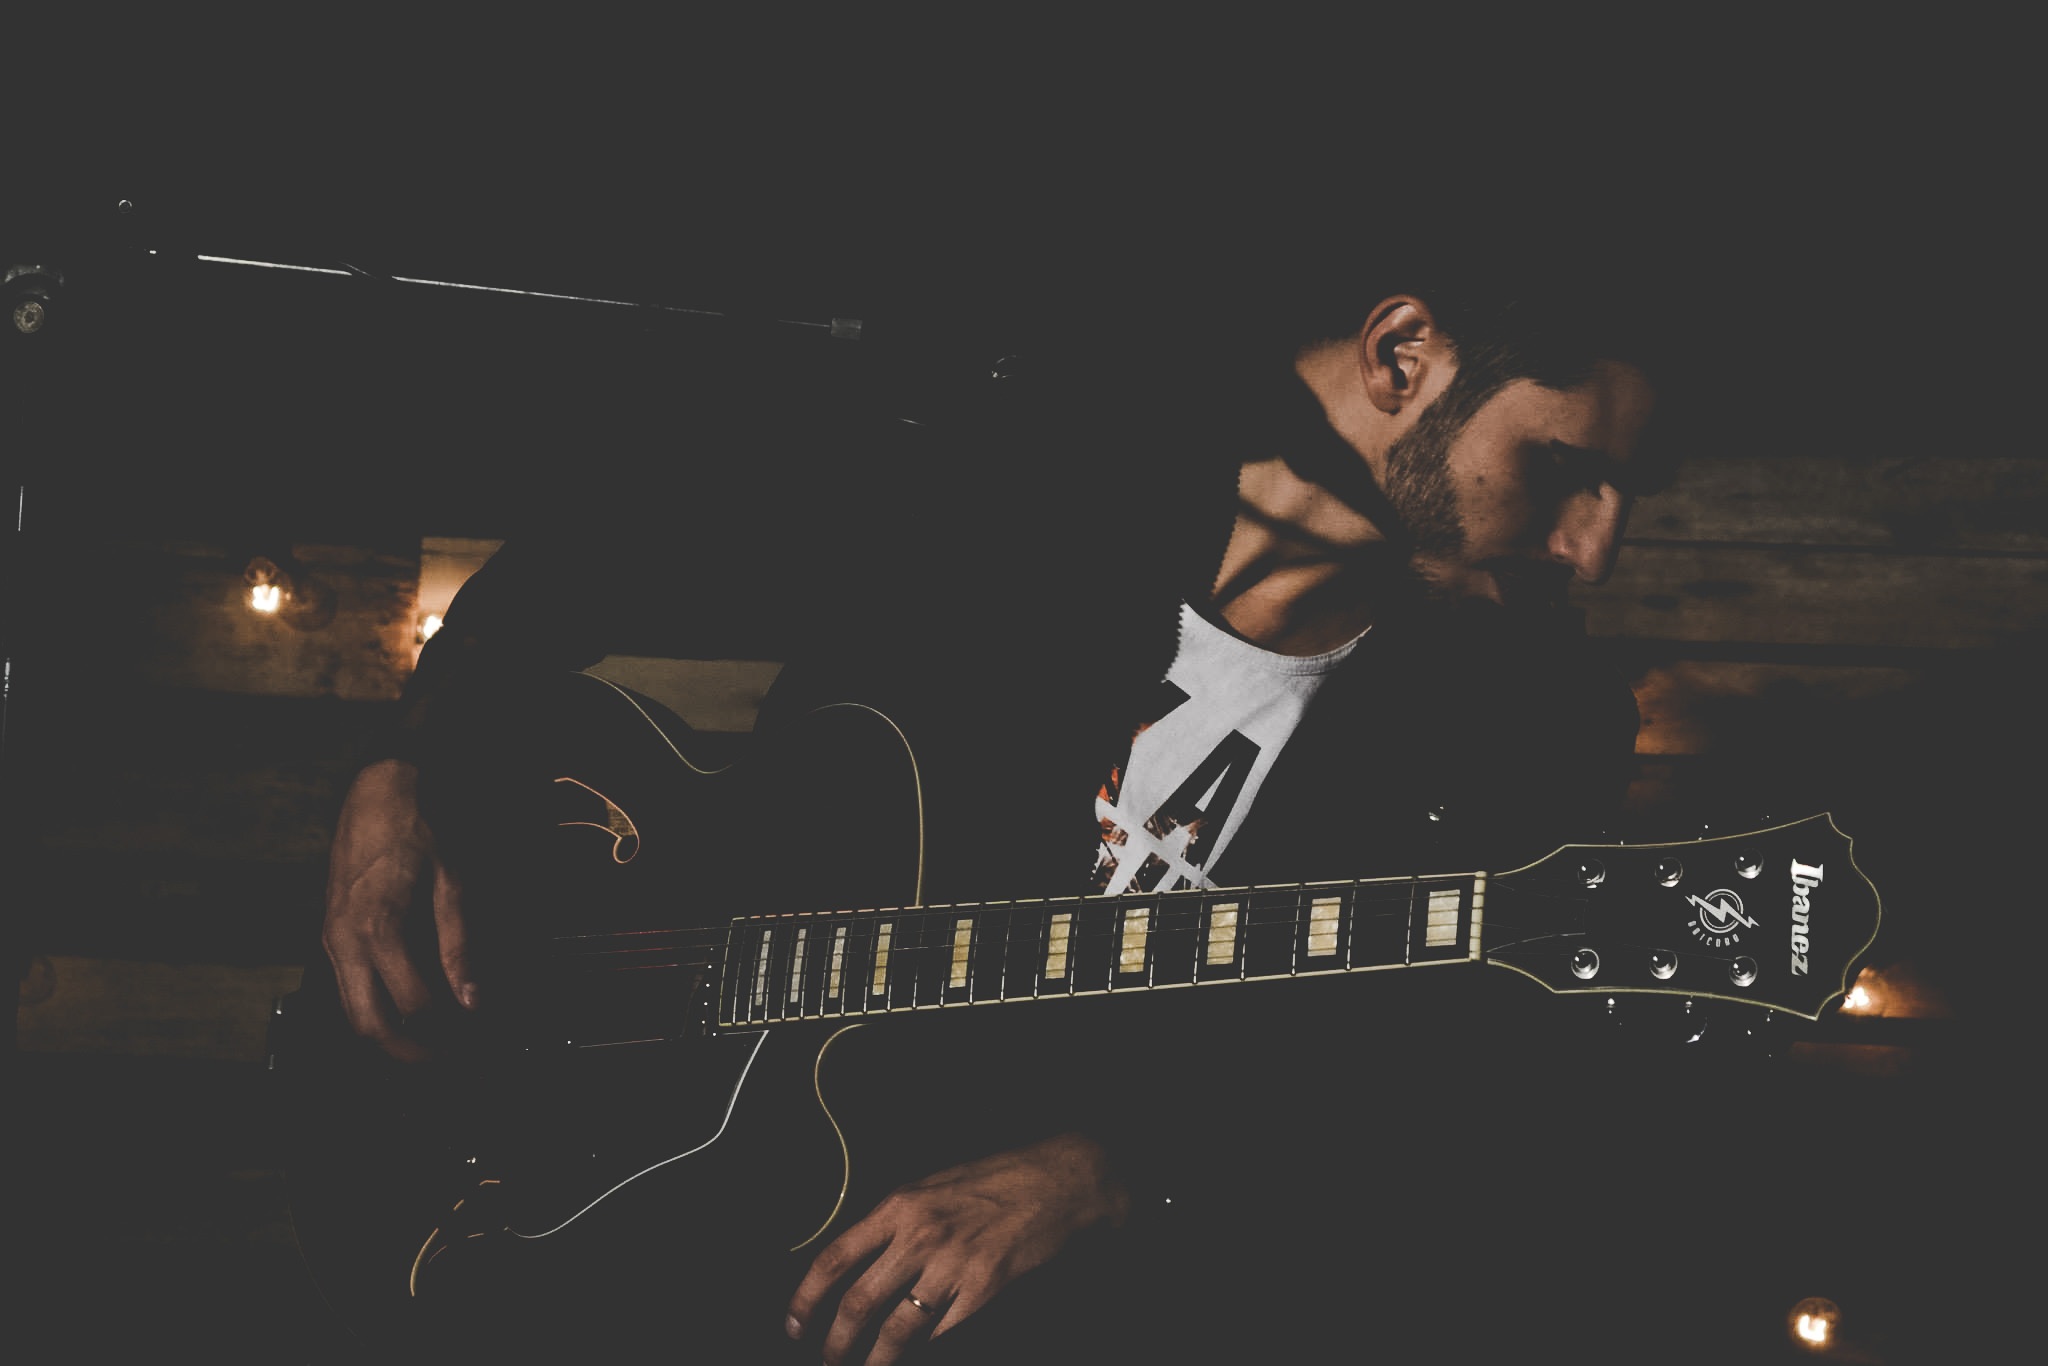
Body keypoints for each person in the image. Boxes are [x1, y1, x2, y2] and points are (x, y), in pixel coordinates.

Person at [305, 222, 1695, 1364]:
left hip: (953, 1306)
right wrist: (404, 767)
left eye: (1626, 496)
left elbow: (1431, 1101)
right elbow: (609, 537)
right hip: (627, 1160)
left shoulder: (1526, 730)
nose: (1593, 549)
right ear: (1404, 353)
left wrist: (1109, 1169)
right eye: (1563, 471)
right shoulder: (1020, 476)